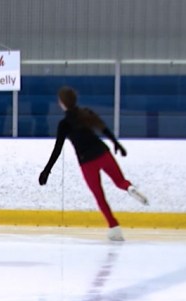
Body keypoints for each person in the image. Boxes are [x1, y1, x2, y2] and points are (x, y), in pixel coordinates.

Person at [38, 86, 149, 241]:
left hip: (87, 162)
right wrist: (117, 144)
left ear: (62, 103)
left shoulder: (64, 124)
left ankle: (114, 227)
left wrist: (46, 171)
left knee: (99, 196)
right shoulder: (86, 113)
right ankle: (129, 188)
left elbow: (57, 150)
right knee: (120, 181)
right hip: (103, 153)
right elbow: (103, 129)